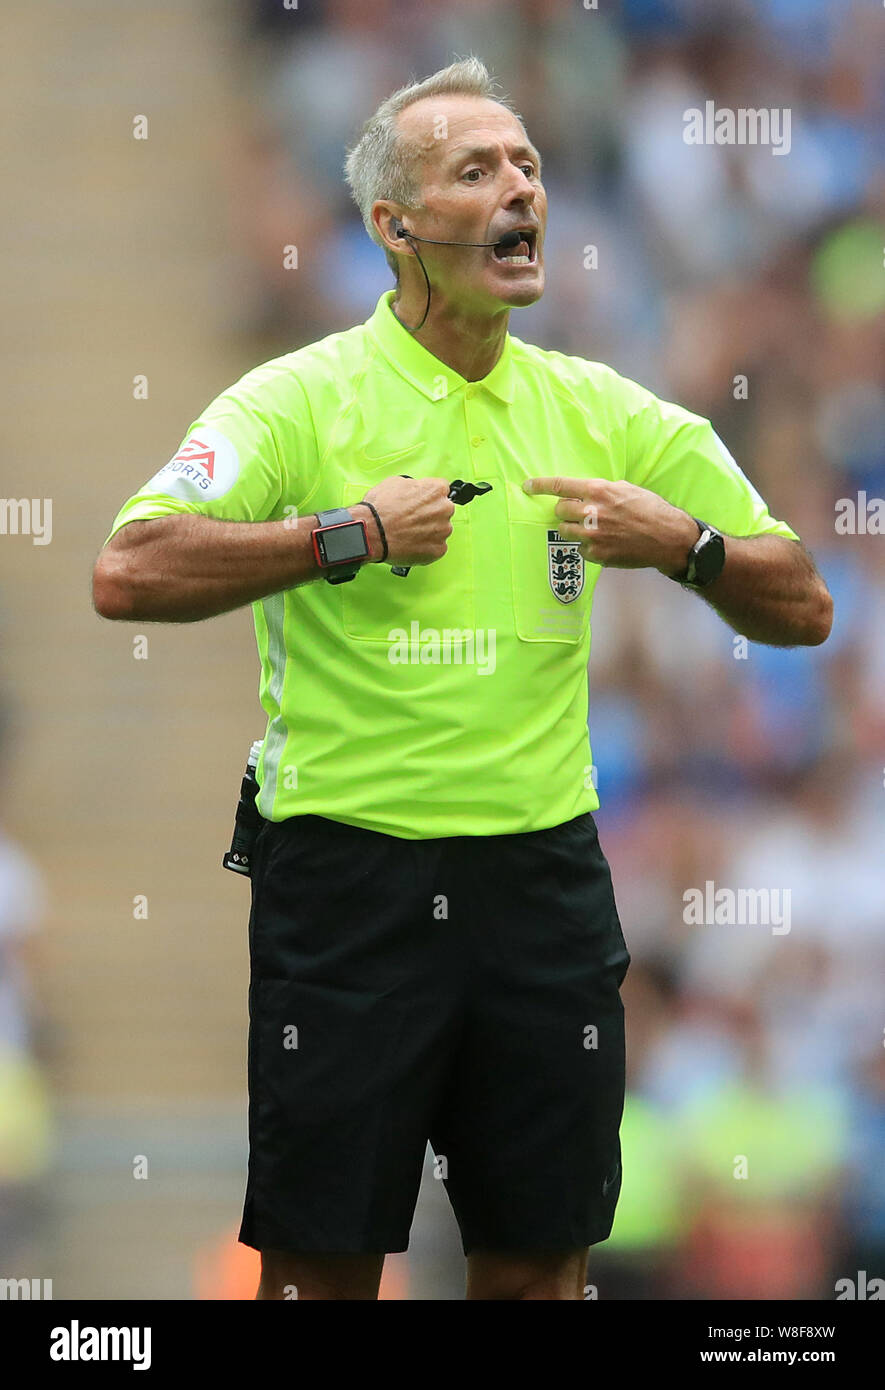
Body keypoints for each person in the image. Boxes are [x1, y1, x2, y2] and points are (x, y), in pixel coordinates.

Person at [91, 57, 832, 1300]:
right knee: (319, 1274)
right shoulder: (300, 402)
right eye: (476, 170)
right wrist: (347, 536)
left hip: (541, 881)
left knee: (543, 1269)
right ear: (396, 228)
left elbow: (802, 594)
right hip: (348, 879)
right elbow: (128, 565)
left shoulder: (600, 411)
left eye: (530, 167)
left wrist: (686, 549)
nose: (520, 192)